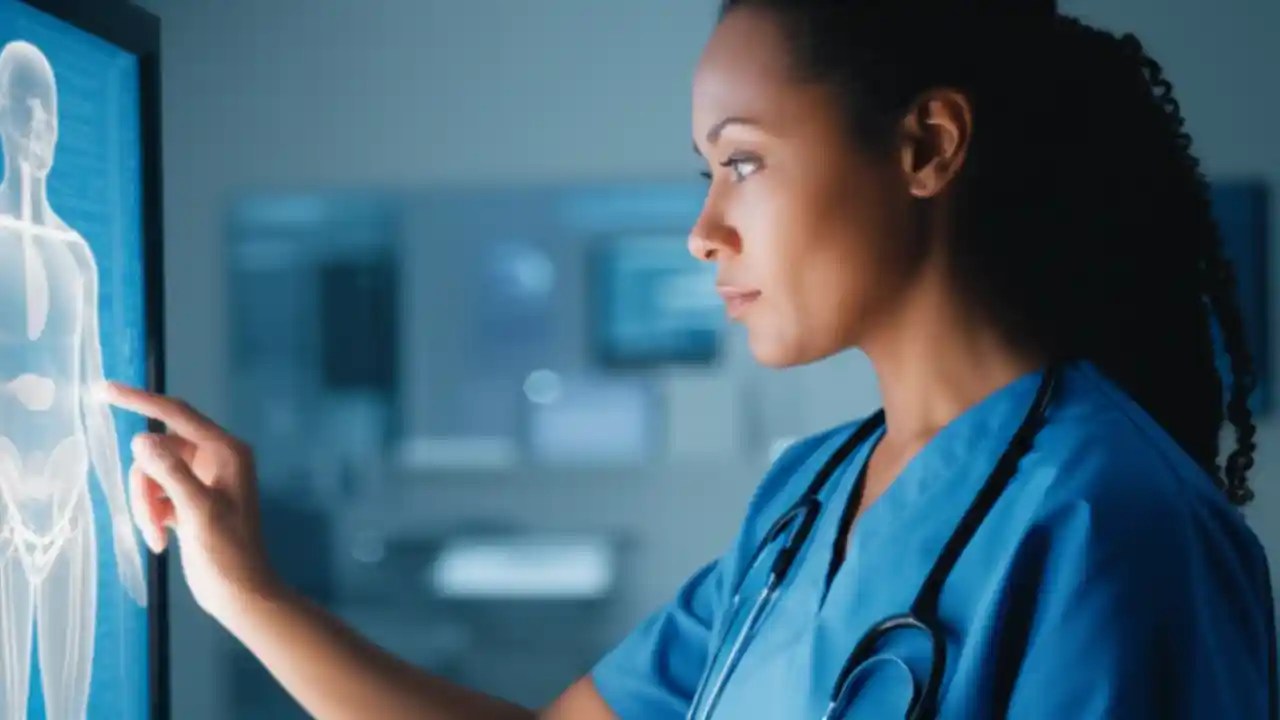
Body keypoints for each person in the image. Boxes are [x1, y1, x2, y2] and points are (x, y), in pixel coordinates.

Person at [105, 0, 1277, 717]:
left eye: (743, 161)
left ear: (925, 144)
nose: (703, 228)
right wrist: (246, 596)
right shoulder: (805, 501)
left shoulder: (1113, 524)